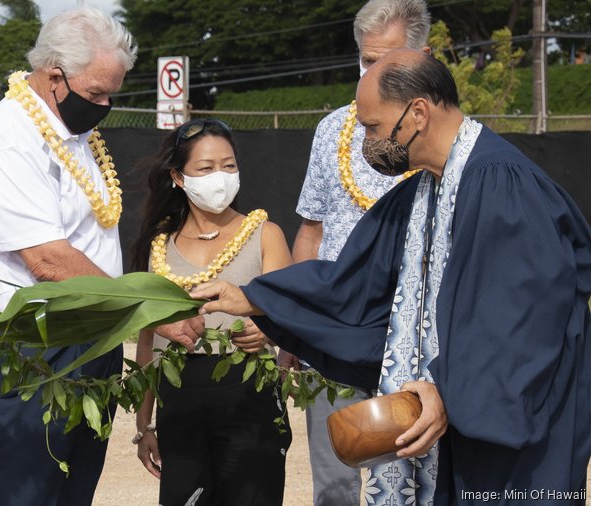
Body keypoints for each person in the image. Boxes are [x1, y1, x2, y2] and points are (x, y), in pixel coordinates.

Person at [192, 50, 591, 505]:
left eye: (374, 128)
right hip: (454, 416)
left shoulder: (501, 182)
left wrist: (448, 390)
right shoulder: (423, 192)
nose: (368, 144)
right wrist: (255, 297)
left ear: (417, 112)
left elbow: (521, 320)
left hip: (515, 431)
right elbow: (355, 285)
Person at [0, 8, 202, 505]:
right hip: (22, 350)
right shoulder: (7, 136)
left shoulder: (76, 134)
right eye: (96, 94)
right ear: (53, 75)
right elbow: (48, 260)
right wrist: (149, 310)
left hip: (86, 341)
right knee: (18, 495)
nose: (105, 105)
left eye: (112, 93)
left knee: (70, 493)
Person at [286, 1, 431, 503]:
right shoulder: (333, 130)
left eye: (388, 60)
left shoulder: (444, 136)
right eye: (367, 61)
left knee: (420, 473)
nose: (374, 73)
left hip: (417, 334)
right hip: (337, 329)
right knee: (334, 479)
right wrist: (297, 323)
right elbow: (310, 231)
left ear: (423, 56)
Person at [129, 119, 293, 505]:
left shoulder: (265, 234)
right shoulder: (159, 248)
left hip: (250, 395)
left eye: (229, 165)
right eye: (205, 168)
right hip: (180, 402)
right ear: (179, 177)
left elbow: (290, 314)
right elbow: (149, 341)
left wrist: (269, 332)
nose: (220, 177)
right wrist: (143, 423)